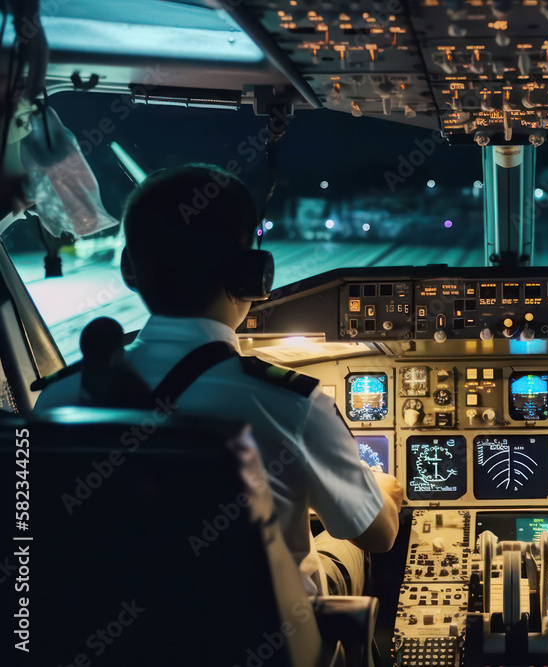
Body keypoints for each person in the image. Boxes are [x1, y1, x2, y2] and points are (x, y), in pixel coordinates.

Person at [34, 163, 403, 596]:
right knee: (345, 551)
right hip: (274, 646)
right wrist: (380, 489)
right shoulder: (291, 404)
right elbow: (378, 536)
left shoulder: (58, 400)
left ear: (129, 269)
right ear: (252, 275)